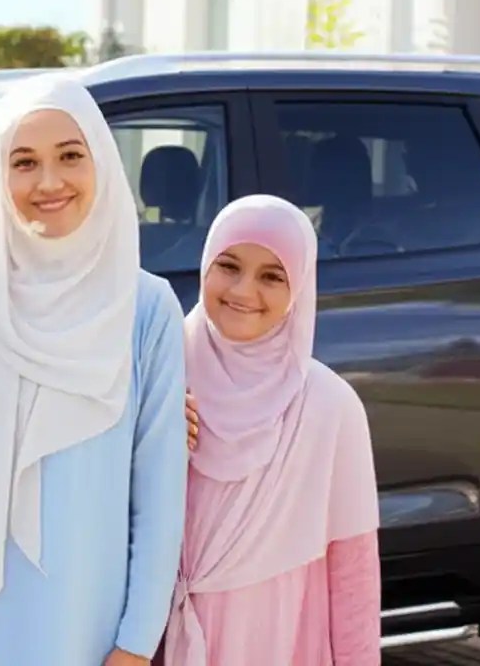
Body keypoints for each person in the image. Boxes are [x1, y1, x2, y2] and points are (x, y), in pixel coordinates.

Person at [0, 74, 189, 666]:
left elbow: (159, 498)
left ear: (102, 161)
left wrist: (136, 644)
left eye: (70, 156)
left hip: (84, 625)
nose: (49, 181)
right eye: (24, 161)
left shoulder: (145, 307)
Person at [163, 194, 381, 665]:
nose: (243, 291)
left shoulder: (329, 405)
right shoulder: (161, 377)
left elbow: (353, 573)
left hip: (280, 641)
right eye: (228, 266)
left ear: (299, 286)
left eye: (272, 276)